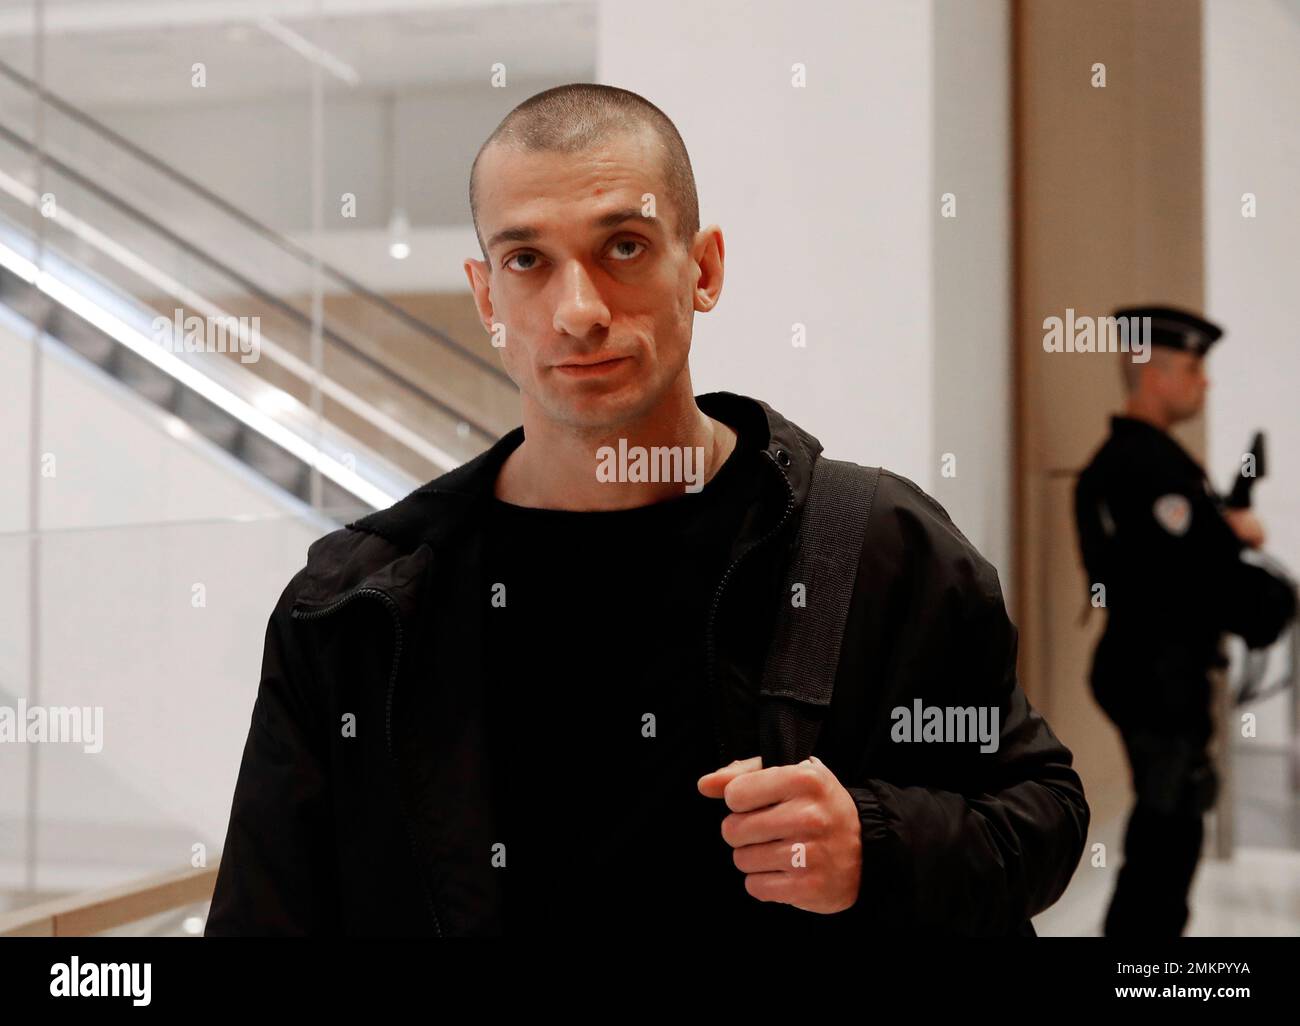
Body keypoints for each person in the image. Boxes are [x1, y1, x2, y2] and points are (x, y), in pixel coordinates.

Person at [205, 83, 1088, 937]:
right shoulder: (357, 608)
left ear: (700, 268)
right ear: (487, 299)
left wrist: (877, 846)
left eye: (623, 246)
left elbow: (1041, 812)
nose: (579, 312)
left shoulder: (873, 548)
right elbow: (265, 917)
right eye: (528, 262)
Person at [1074, 305, 1296, 937]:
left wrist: (1223, 526)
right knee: (1167, 831)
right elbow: (1190, 577)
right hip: (1155, 671)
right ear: (1154, 373)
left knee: (1169, 823)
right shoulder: (1143, 467)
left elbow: (1176, 555)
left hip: (1153, 666)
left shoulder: (1151, 462)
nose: (1206, 383)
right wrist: (1265, 591)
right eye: (1195, 368)